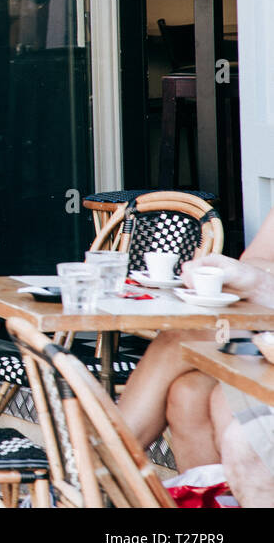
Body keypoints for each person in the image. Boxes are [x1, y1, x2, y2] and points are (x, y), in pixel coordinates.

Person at [117, 212, 274, 503]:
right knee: (188, 391)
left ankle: (96, 471)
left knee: (186, 337)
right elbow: (253, 261)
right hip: (263, 339)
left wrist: (258, 282)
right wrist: (256, 277)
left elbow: (254, 273)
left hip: (262, 342)